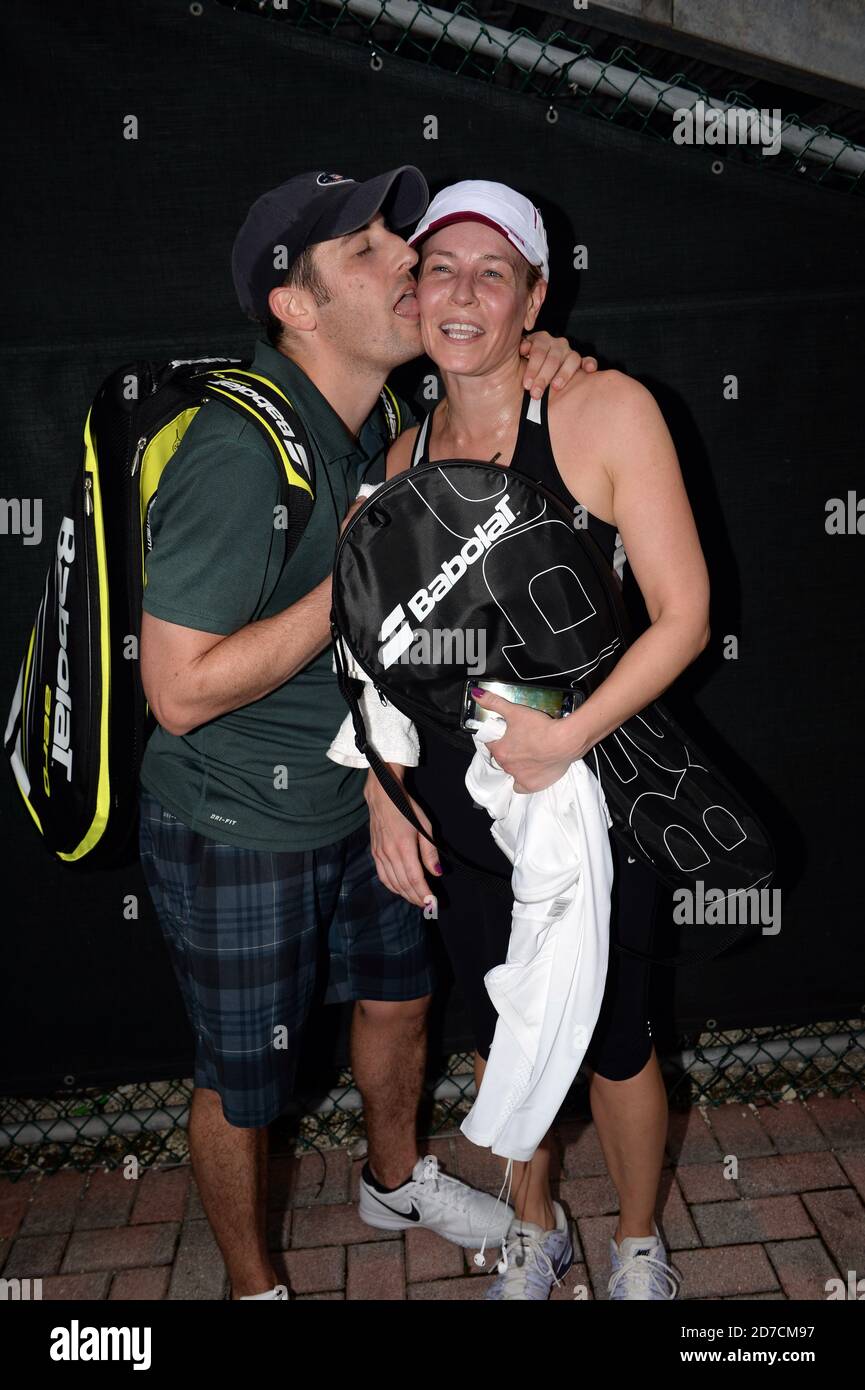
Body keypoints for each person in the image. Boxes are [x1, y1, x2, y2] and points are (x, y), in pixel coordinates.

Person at [137, 166, 594, 1300]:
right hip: (237, 815)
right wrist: (348, 572)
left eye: (403, 237)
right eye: (369, 253)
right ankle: (256, 1286)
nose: (408, 262)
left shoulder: (383, 421)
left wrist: (549, 358)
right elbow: (179, 690)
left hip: (371, 793)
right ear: (295, 305)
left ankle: (393, 1180)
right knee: (245, 1081)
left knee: (401, 1001)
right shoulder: (234, 453)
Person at [367, 180, 710, 1300]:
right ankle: (536, 1226)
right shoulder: (397, 464)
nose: (461, 293)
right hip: (468, 811)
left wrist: (568, 739)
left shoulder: (603, 413)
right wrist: (384, 790)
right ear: (413, 294)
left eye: (493, 272)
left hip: (602, 788)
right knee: (497, 1020)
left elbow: (683, 615)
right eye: (441, 269)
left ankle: (639, 1241)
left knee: (617, 1036)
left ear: (533, 299)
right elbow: (375, 655)